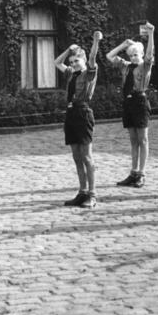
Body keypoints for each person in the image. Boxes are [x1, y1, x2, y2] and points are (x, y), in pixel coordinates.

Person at [55, 31, 103, 209]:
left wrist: (95, 41)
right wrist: (69, 50)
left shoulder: (89, 73)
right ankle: (82, 192)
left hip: (83, 113)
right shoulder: (71, 73)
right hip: (71, 114)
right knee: (76, 156)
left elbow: (92, 57)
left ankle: (92, 194)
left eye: (77, 61)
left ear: (83, 61)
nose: (74, 64)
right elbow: (57, 62)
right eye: (72, 61)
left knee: (87, 157)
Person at [106, 22, 155, 188]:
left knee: (143, 139)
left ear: (141, 54)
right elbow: (109, 56)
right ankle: (133, 172)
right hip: (128, 102)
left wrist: (151, 34)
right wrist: (123, 45)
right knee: (133, 140)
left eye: (136, 54)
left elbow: (149, 55)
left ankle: (141, 173)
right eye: (131, 54)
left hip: (140, 100)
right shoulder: (125, 66)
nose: (134, 57)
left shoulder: (144, 66)